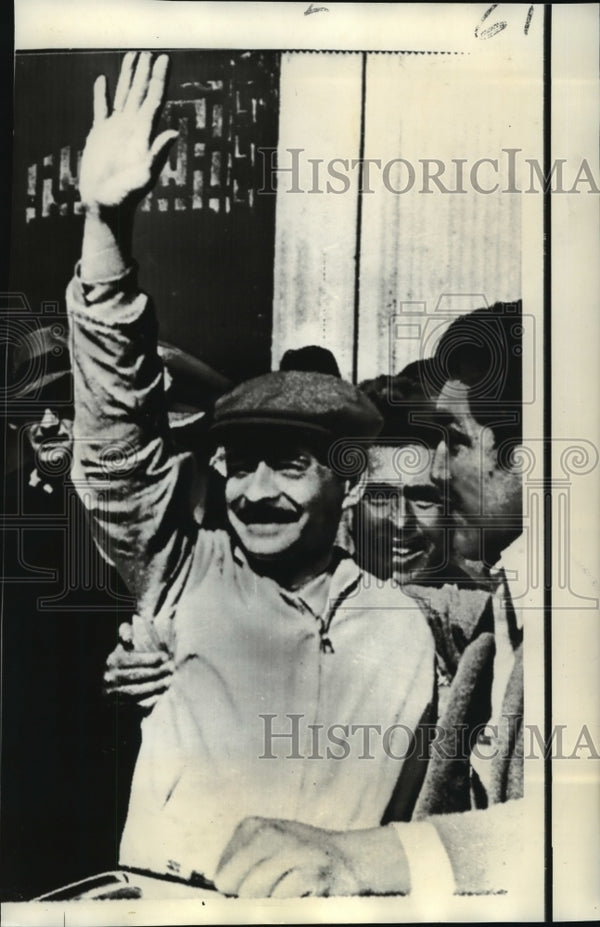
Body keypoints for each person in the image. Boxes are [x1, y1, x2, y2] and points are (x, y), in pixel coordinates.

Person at [67, 51, 435, 890]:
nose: (256, 491)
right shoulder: (182, 573)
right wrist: (107, 229)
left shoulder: (404, 625)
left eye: (291, 465)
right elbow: (118, 442)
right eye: (239, 464)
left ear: (349, 480)